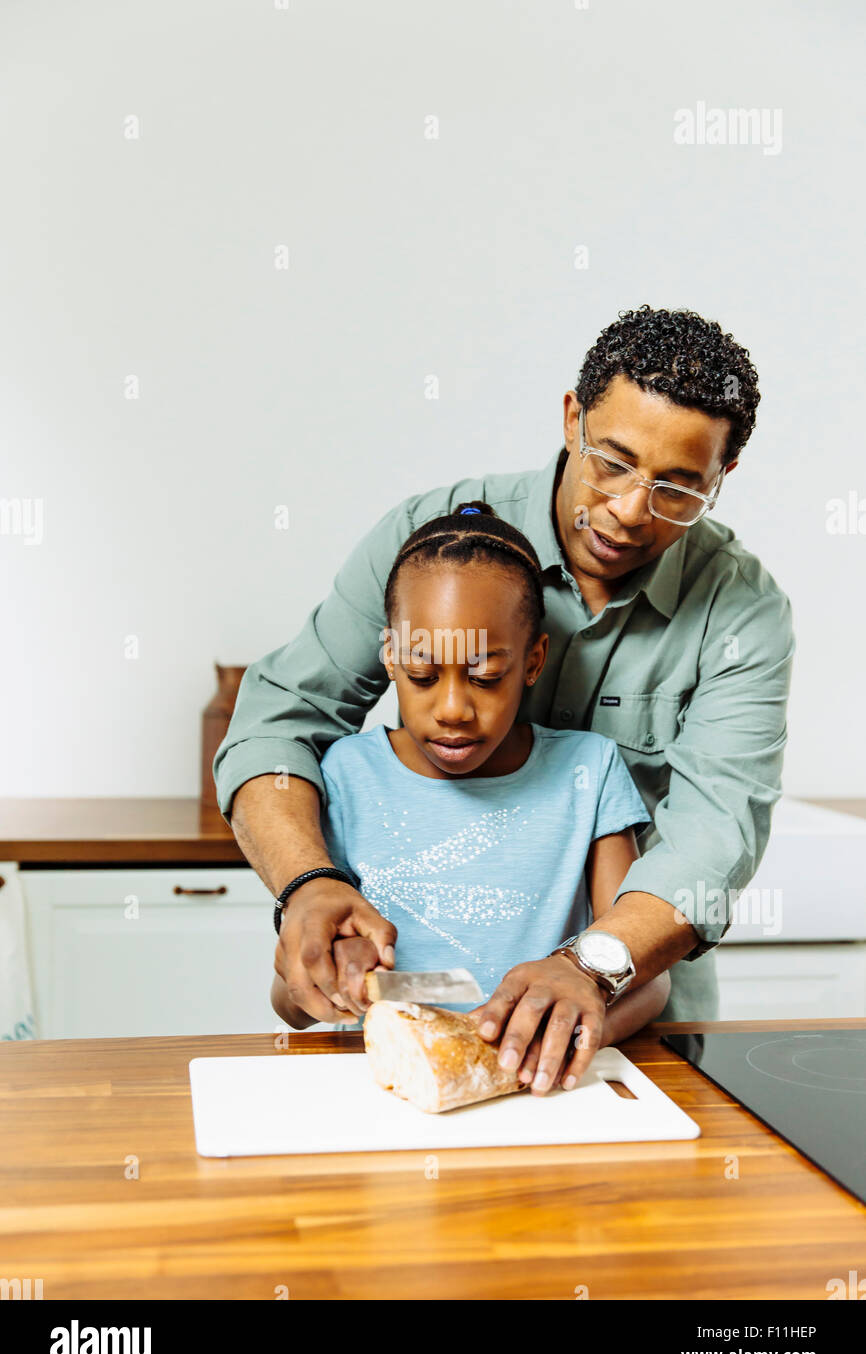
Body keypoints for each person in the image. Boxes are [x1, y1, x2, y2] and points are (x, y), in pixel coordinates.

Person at [215, 305, 795, 1091]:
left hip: (620, 1025)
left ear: (722, 478)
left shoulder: (743, 614)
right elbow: (277, 724)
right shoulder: (432, 540)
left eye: (677, 489)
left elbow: (714, 838)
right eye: (613, 462)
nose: (629, 510)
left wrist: (590, 969)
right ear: (571, 419)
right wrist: (306, 885)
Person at [269, 502, 671, 1092]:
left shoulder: (588, 772)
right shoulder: (344, 776)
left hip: (542, 1096)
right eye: (423, 676)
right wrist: (330, 980)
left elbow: (650, 983)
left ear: (533, 660)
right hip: (382, 1097)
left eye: (484, 677)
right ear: (389, 656)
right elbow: (287, 1003)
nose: (453, 709)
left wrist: (560, 1039)